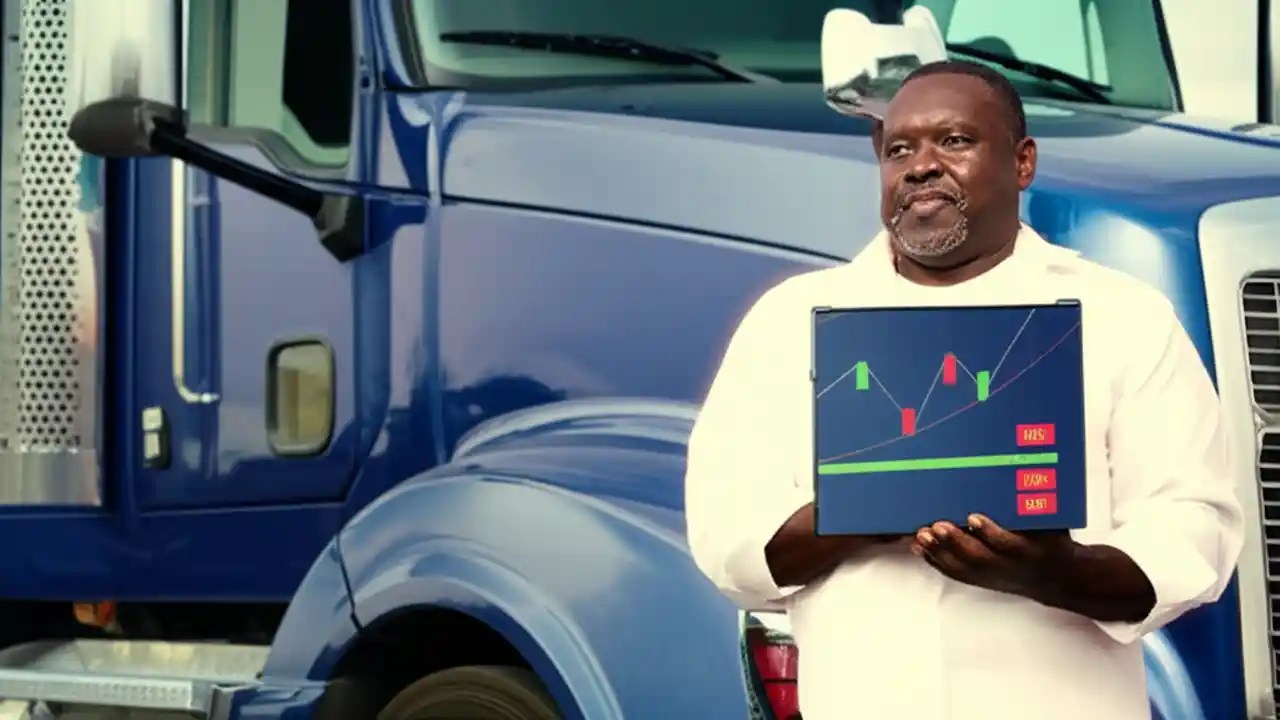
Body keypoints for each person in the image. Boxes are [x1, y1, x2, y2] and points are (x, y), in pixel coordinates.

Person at [683, 60, 1244, 720]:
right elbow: (726, 540)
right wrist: (858, 509)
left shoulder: (1120, 316)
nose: (920, 166)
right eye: (899, 149)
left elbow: (1195, 522)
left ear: (1023, 161)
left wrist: (1060, 573)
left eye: (953, 141)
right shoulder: (789, 322)